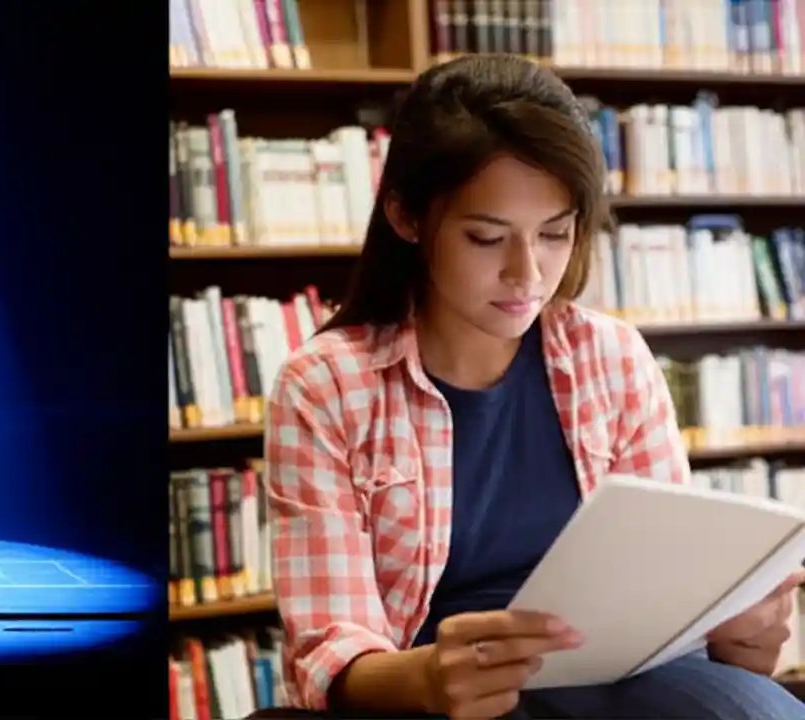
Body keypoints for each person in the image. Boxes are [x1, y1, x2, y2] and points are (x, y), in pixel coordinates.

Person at [263, 54, 805, 720]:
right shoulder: (325, 387)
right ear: (406, 217)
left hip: (627, 676)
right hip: (451, 694)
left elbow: (667, 596)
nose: (527, 273)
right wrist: (430, 676)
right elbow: (330, 656)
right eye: (487, 238)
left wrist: (737, 635)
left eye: (555, 233)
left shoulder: (611, 358)